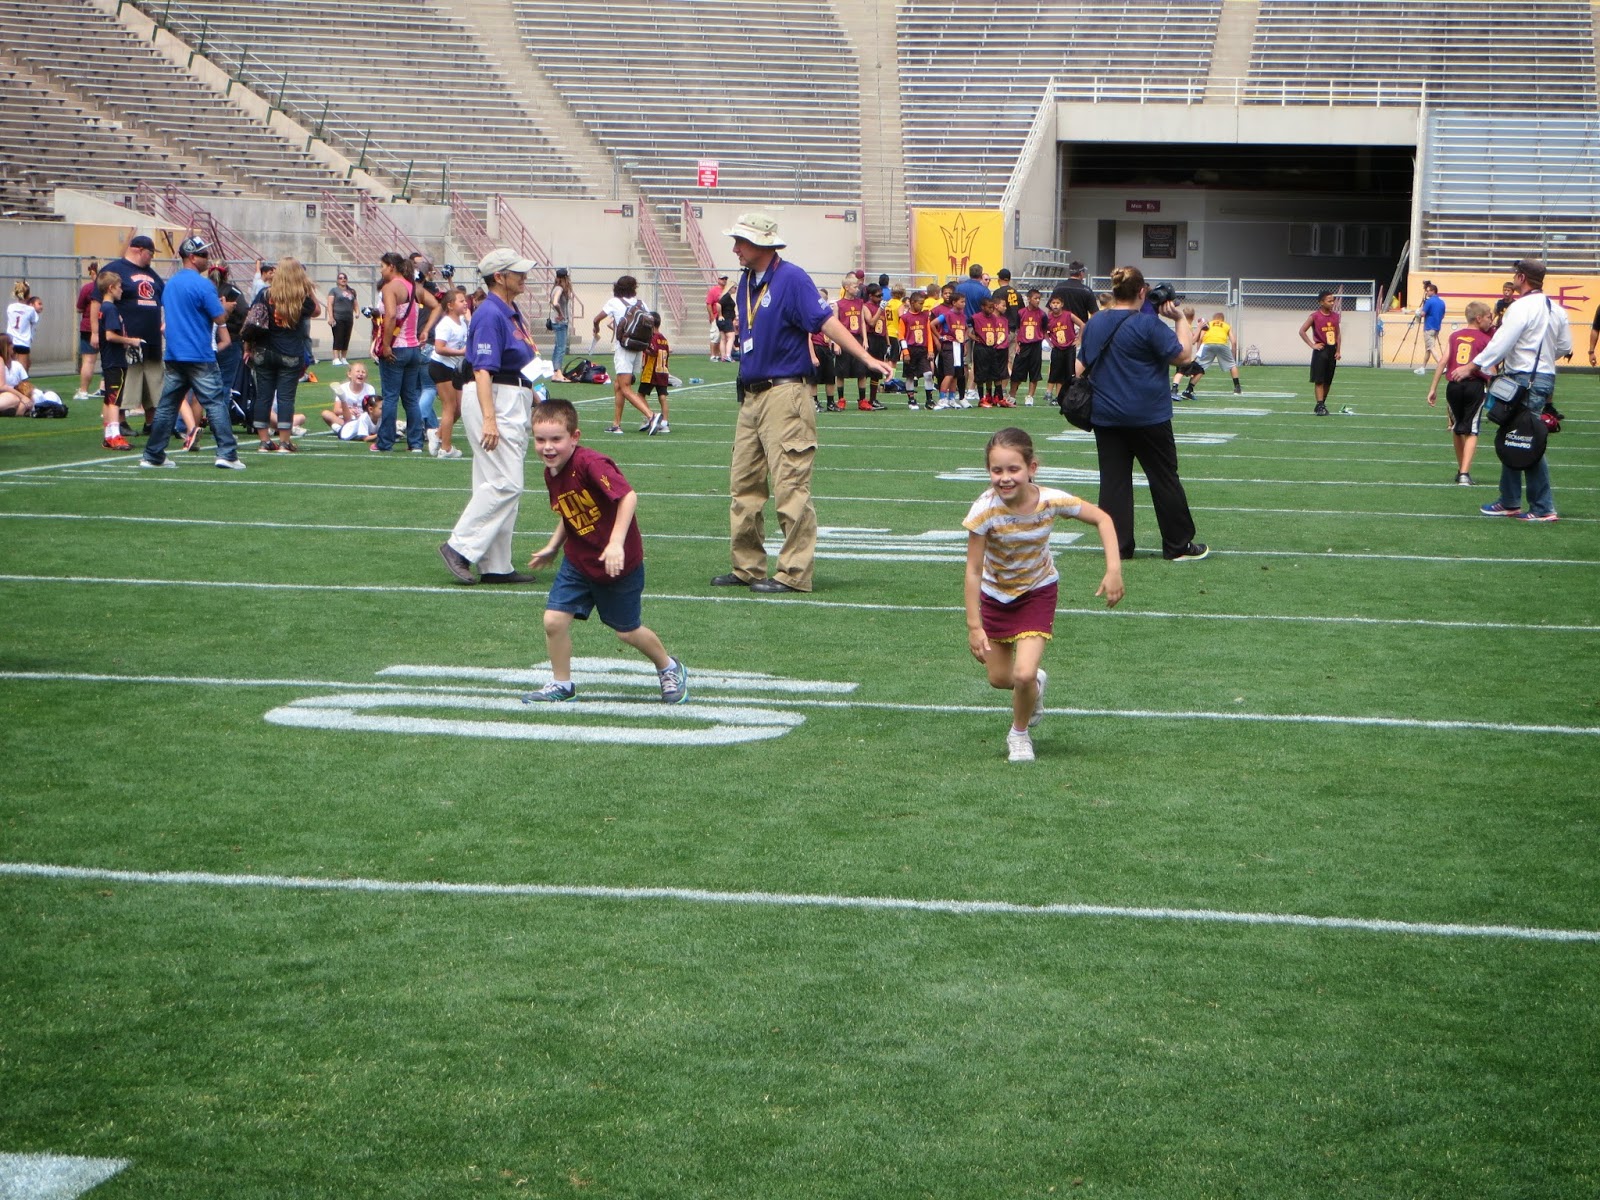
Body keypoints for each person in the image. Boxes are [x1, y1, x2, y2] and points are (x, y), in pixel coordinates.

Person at [712, 211, 894, 594]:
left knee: (790, 484)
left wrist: (865, 357)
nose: (735, 249)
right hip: (751, 395)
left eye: (740, 242)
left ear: (760, 244)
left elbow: (825, 322)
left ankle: (794, 573)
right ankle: (747, 567)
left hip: (785, 393)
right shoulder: (746, 282)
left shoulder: (792, 278)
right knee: (743, 485)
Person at [963, 426, 1124, 763]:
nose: (1005, 478)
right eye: (996, 470)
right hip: (996, 596)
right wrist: (974, 627)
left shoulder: (1051, 500)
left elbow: (1103, 519)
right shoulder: (984, 510)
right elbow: (974, 570)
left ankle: (1019, 734)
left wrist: (1113, 569)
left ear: (1031, 467)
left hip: (1038, 591)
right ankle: (1034, 683)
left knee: (1021, 673)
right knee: (1000, 679)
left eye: (1013, 469)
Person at [520, 397, 689, 704]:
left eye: (556, 439)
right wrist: (553, 546)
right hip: (579, 561)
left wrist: (615, 543)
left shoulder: (590, 463)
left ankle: (668, 666)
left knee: (627, 631)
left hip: (618, 564)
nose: (548, 447)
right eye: (540, 440)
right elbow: (570, 511)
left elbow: (628, 497)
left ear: (575, 437)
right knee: (553, 620)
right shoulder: (551, 471)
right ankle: (562, 684)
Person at [1077, 265, 1209, 563]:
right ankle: (1177, 545)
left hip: (1107, 415)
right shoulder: (1148, 324)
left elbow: (1081, 365)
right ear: (1142, 292)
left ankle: (1118, 546)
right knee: (1164, 479)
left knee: (1114, 482)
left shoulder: (1096, 323)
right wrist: (1179, 319)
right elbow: (1184, 356)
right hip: (1149, 415)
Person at [437, 249, 540, 585]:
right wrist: (489, 418)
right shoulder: (490, 313)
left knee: (494, 480)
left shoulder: (507, 310)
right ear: (499, 276)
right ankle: (458, 547)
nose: (524, 277)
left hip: (511, 395)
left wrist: (534, 393)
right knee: (506, 482)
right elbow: (482, 369)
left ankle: (496, 565)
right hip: (495, 397)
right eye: (517, 272)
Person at [1463, 258, 1572, 522]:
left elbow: (1502, 341)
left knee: (1525, 439)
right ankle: (1510, 500)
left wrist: (1473, 365)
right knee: (1513, 435)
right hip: (1543, 376)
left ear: (1522, 278)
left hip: (1522, 378)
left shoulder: (1520, 307)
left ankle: (1542, 506)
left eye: (1516, 274)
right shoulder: (1557, 309)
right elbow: (1565, 347)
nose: (1513, 278)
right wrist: (1542, 359)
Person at [138, 236, 241, 470]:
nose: (208, 258)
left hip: (174, 355)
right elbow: (219, 318)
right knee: (215, 403)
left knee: (167, 406)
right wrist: (224, 307)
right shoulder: (204, 285)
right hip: (199, 355)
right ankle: (227, 453)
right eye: (203, 254)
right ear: (192, 257)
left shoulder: (171, 284)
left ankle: (153, 455)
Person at [251, 257, 321, 455]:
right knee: (285, 398)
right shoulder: (300, 297)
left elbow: (253, 317)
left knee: (263, 396)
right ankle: (284, 442)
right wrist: (308, 288)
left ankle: (264, 441)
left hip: (264, 350)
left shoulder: (265, 294)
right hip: (290, 352)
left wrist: (248, 346)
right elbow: (316, 310)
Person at [373, 250, 439, 453]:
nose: (381, 270)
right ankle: (416, 442)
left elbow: (391, 315)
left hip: (397, 348)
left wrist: (386, 345)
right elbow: (437, 306)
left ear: (391, 267)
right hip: (413, 349)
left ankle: (385, 442)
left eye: (383, 266)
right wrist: (425, 330)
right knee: (410, 397)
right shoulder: (414, 287)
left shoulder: (390, 287)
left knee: (391, 397)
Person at [1425, 300, 1494, 486]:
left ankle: (1461, 469)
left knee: (1457, 428)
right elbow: (1491, 368)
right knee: (1472, 430)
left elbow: (1442, 362)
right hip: (1474, 385)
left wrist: (1433, 388)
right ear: (1478, 318)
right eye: (1488, 317)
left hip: (1453, 386)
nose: (1490, 321)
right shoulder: (1486, 339)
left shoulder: (1455, 336)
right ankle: (1464, 473)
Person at [104, 234, 166, 435]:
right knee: (127, 381)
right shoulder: (115, 269)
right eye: (150, 253)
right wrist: (96, 332)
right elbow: (99, 301)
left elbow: (163, 297)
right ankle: (120, 422)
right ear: (139, 250)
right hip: (127, 339)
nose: (152, 257)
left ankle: (151, 422)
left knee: (153, 383)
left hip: (151, 339)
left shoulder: (152, 274)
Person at [592, 274, 661, 435]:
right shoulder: (641, 303)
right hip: (638, 348)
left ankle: (651, 416)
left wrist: (596, 328)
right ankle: (616, 425)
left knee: (625, 387)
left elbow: (597, 319)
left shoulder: (614, 302)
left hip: (624, 348)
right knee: (619, 385)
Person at [91, 270, 140, 448]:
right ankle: (115, 435)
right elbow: (110, 335)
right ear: (111, 288)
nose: (122, 290)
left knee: (109, 399)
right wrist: (131, 341)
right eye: (119, 287)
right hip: (115, 360)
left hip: (110, 359)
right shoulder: (110, 308)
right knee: (114, 399)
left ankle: (109, 435)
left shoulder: (105, 308)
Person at [427, 286, 471, 458]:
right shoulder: (445, 324)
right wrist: (461, 352)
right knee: (449, 407)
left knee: (460, 408)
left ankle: (438, 434)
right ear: (450, 305)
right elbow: (439, 348)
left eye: (465, 300)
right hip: (441, 367)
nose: (465, 303)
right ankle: (445, 448)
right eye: (461, 301)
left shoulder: (462, 322)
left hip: (454, 369)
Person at [1298, 291, 1341, 415]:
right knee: (1319, 380)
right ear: (1321, 302)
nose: (1332, 303)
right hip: (1321, 351)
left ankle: (1321, 404)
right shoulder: (1315, 316)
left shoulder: (1335, 316)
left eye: (1333, 301)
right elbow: (1302, 331)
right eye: (1329, 301)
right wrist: (1312, 345)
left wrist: (1338, 350)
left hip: (1332, 350)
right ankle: (1320, 404)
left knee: (1328, 380)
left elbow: (1338, 334)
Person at [899, 288, 937, 410]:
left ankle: (929, 400)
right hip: (910, 349)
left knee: (928, 374)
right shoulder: (905, 318)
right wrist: (905, 352)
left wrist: (930, 350)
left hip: (922, 350)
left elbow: (928, 334)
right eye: (920, 303)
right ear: (912, 302)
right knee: (910, 376)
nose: (921, 306)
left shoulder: (925, 316)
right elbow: (901, 336)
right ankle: (911, 400)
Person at [321, 362, 379, 441]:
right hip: (346, 419)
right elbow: (336, 410)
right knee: (326, 413)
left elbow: (372, 408)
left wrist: (362, 414)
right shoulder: (342, 388)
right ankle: (345, 428)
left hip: (363, 418)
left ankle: (341, 429)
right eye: (358, 371)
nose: (361, 374)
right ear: (349, 374)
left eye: (363, 372)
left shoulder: (369, 389)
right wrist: (349, 410)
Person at [972, 294, 1012, 407]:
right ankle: (982, 399)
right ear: (982, 307)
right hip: (981, 348)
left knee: (996, 373)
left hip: (992, 348)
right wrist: (972, 336)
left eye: (992, 307)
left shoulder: (995, 319)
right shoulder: (975, 317)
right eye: (989, 307)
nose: (991, 310)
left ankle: (998, 397)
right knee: (981, 374)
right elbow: (967, 328)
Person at [1008, 289, 1046, 406]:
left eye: (1039, 298)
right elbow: (1018, 329)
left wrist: (1044, 340)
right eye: (1035, 298)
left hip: (1035, 345)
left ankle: (1030, 396)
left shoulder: (1042, 314)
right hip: (1023, 345)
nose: (1037, 301)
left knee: (1034, 372)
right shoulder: (1021, 313)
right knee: (1017, 371)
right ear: (1029, 299)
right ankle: (1012, 395)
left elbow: (1044, 329)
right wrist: (1017, 343)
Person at [1044, 294, 1083, 407]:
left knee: (1069, 373)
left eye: (1058, 303)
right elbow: (1044, 331)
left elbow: (1082, 325)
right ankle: (1056, 395)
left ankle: (1068, 395)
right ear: (1050, 305)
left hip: (1069, 348)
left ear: (1062, 304)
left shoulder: (1068, 315)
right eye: (1053, 303)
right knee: (1056, 372)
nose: (1055, 305)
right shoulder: (1048, 318)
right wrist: (1049, 342)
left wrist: (1079, 339)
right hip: (1057, 348)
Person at [1193, 311, 1243, 396]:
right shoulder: (1226, 325)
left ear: (1213, 318)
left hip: (1208, 344)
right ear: (1223, 319)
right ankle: (1237, 387)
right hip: (1222, 344)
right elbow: (1233, 342)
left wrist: (1199, 350)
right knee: (1232, 365)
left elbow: (1201, 338)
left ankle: (1190, 388)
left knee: (1199, 365)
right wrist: (1233, 355)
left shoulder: (1208, 324)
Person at [636, 315, 671, 434]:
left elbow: (653, 351)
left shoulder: (652, 338)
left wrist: (642, 348)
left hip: (651, 371)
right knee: (662, 397)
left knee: (640, 395)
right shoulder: (664, 338)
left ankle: (650, 417)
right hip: (663, 371)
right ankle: (665, 423)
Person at [74, 260, 100, 402]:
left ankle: (83, 390)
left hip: (89, 327)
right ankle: (105, 387)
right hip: (107, 326)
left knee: (89, 361)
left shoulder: (88, 288)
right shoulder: (110, 287)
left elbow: (79, 308)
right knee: (108, 361)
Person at [809, 289, 838, 412]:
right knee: (814, 379)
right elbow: (808, 338)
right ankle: (814, 402)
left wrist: (833, 345)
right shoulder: (811, 315)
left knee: (830, 377)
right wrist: (813, 356)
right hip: (817, 347)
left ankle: (830, 402)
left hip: (826, 348)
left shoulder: (827, 315)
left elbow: (832, 330)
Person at [548, 267, 576, 377]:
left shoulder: (555, 288)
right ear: (565, 278)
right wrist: (561, 314)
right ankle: (557, 371)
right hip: (560, 322)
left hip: (556, 322)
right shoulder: (559, 289)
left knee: (557, 347)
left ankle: (554, 369)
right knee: (561, 348)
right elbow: (555, 303)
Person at [326, 272, 357, 366]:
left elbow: (355, 303)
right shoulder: (334, 290)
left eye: (344, 278)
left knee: (346, 337)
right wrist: (331, 317)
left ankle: (343, 358)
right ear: (337, 280)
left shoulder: (351, 291)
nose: (343, 279)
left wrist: (357, 312)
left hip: (349, 318)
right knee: (338, 337)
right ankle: (336, 358)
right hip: (338, 317)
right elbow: (330, 304)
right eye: (340, 278)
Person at [0, 335, 35, 417]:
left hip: (5, 395)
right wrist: (22, 397)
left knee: (22, 403)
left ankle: (12, 412)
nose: (13, 346)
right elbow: (1, 386)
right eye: (10, 343)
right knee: (14, 398)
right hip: (6, 395)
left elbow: (25, 383)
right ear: (4, 346)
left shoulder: (15, 364)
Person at [6, 281, 38, 370]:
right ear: (28, 295)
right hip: (23, 342)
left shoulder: (10, 307)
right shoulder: (30, 310)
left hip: (11, 341)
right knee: (23, 371)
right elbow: (34, 320)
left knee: (10, 369)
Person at [706, 273, 727, 360]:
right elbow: (709, 303)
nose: (724, 280)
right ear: (718, 280)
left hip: (724, 317)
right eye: (722, 279)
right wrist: (711, 316)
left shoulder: (726, 290)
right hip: (716, 316)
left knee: (721, 337)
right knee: (715, 336)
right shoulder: (713, 291)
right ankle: (712, 355)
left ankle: (718, 354)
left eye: (725, 279)